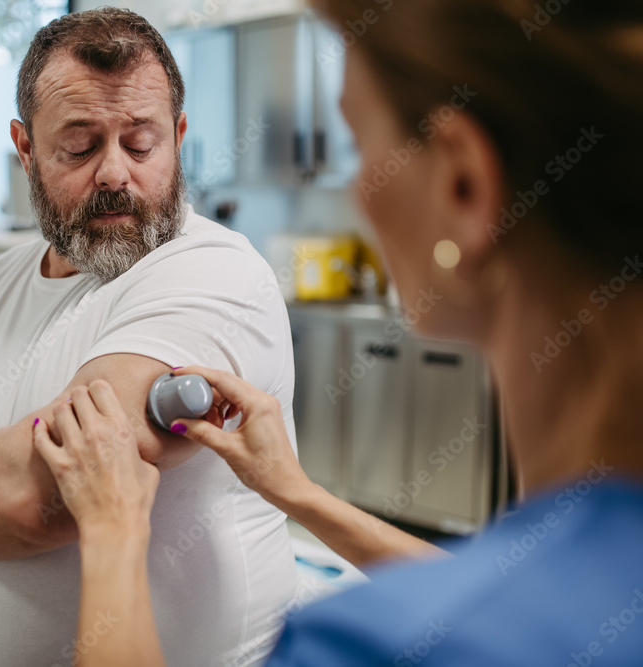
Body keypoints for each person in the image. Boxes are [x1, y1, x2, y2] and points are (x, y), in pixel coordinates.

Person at [32, 0, 643, 664]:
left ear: (463, 185)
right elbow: (517, 599)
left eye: (360, 144)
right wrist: (299, 495)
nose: (360, 190)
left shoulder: (364, 643)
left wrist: (114, 530)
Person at [0, 8, 303, 667]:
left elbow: (42, 496)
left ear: (179, 136)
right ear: (25, 147)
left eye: (141, 144)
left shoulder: (215, 271)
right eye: (79, 146)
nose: (114, 173)